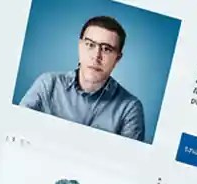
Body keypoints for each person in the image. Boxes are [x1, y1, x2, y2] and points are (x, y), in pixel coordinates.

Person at [18, 16, 147, 142]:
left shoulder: (130, 108)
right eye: (90, 45)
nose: (96, 57)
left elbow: (126, 162)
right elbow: (16, 131)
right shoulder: (48, 84)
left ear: (117, 59)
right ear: (80, 46)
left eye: (106, 49)